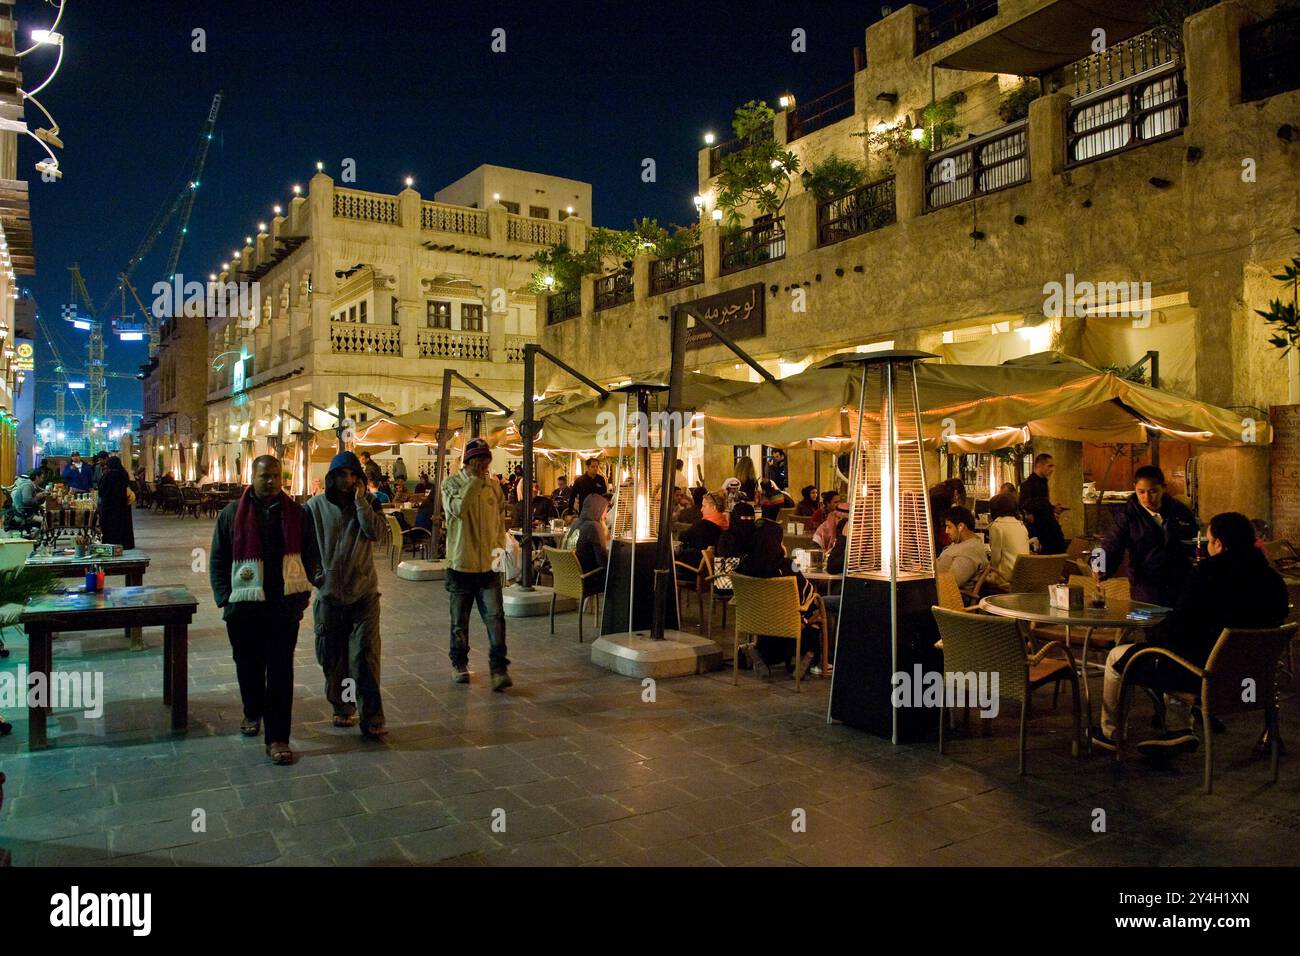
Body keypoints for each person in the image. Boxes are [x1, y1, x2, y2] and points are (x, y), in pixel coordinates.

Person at [1094, 512, 1289, 757]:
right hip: (1250, 684)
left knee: (1119, 656)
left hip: (1205, 678)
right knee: (1173, 652)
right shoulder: (1272, 579)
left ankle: (1110, 734)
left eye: (1208, 540)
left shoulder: (1208, 574)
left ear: (1219, 543)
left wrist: (1153, 635)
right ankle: (1178, 730)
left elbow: (1181, 623)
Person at [210, 455, 317, 765]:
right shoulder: (232, 514)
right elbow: (218, 559)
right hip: (243, 609)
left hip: (282, 608)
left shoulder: (297, 514)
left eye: (274, 475)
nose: (270, 481)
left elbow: (311, 556)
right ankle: (252, 709)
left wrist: (300, 599)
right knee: (248, 665)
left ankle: (279, 737)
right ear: (251, 477)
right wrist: (225, 598)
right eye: (263, 476)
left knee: (281, 670)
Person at [303, 451, 386, 737]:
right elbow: (304, 545)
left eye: (352, 475)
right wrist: (314, 574)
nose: (347, 480)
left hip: (363, 594)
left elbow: (377, 534)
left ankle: (371, 716)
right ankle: (344, 707)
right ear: (332, 477)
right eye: (341, 475)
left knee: (364, 656)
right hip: (328, 596)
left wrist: (361, 502)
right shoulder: (314, 507)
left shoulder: (369, 503)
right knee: (333, 658)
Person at [443, 437, 512, 691]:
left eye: (486, 459)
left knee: (496, 617)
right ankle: (459, 664)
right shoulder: (450, 484)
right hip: (461, 564)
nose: (482, 464)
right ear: (468, 461)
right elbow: (458, 510)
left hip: (489, 566)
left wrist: (499, 558)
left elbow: (498, 525)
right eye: (478, 459)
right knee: (459, 620)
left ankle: (499, 668)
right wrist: (473, 482)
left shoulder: (494, 488)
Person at [1098, 465, 1197, 606]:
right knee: (1150, 625)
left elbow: (1193, 540)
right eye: (1141, 492)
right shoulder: (1127, 515)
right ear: (1135, 489)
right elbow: (1111, 544)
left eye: (1153, 491)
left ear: (1164, 487)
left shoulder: (1179, 511)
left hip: (1180, 581)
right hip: (1146, 586)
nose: (1147, 497)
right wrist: (1099, 566)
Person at [738, 521, 821, 679]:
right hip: (789, 624)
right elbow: (807, 590)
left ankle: (757, 650)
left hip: (756, 623)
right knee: (815, 616)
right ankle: (806, 655)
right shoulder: (788, 565)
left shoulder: (744, 565)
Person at [936, 506, 987, 590]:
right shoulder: (960, 543)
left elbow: (951, 583)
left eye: (949, 527)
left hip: (945, 597)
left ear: (961, 526)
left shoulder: (970, 551)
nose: (946, 531)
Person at [986, 493, 1030, 587]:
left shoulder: (997, 526)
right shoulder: (1021, 526)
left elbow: (995, 558)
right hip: (1022, 576)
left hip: (1005, 578)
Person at [676, 492, 728, 569]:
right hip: (713, 569)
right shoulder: (725, 523)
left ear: (714, 507)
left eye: (704, 506)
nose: (701, 509)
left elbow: (683, 537)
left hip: (694, 569)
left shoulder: (703, 525)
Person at [96, 456, 136, 551]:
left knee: (110, 526)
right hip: (122, 505)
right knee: (123, 525)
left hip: (109, 506)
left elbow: (101, 491)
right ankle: (125, 543)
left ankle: (110, 543)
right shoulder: (124, 474)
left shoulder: (107, 475)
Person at [566, 493, 610, 576]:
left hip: (571, 577)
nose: (605, 515)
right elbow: (603, 562)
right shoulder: (594, 526)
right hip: (587, 578)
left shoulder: (576, 522)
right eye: (605, 511)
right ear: (598, 510)